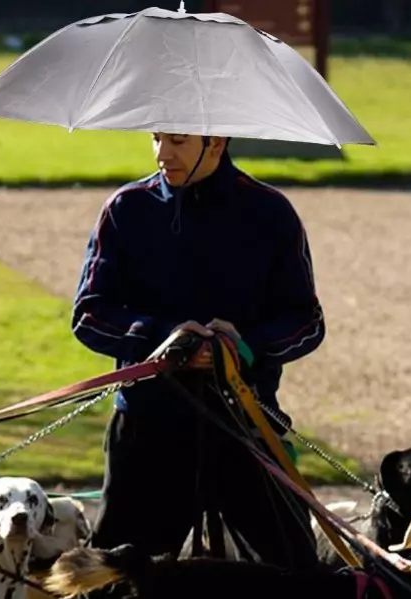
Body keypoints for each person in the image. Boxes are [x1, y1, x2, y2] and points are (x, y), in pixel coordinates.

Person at [70, 132, 326, 576]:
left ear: (216, 142)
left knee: (302, 578)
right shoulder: (127, 209)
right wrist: (160, 338)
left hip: (245, 425)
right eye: (156, 138)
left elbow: (306, 322)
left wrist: (244, 345)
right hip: (149, 430)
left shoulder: (270, 213)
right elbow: (89, 315)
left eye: (178, 141)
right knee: (107, 580)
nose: (162, 153)